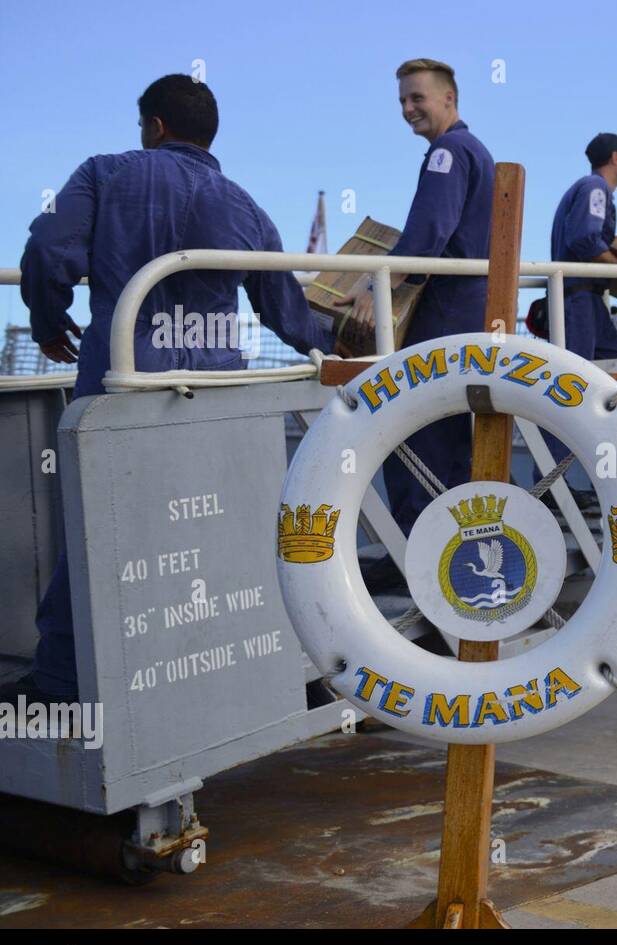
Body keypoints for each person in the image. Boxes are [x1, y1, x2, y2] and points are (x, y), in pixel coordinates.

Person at [13, 74, 332, 704]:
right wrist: (337, 351)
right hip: (221, 403)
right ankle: (261, 672)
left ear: (154, 126)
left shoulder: (105, 173)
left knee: (99, 537)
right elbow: (286, 311)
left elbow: (48, 251)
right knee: (230, 535)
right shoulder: (245, 205)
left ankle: (60, 686)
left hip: (122, 393)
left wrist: (49, 322)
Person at [335, 59, 495, 532]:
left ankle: (413, 547)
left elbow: (429, 233)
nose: (407, 109)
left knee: (414, 423)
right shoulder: (472, 150)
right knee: (446, 431)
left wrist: (376, 287)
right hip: (467, 309)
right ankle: (450, 544)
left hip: (445, 310)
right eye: (403, 100)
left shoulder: (448, 151)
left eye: (417, 98)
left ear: (449, 98)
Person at [546, 132, 617, 507]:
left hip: (588, 301)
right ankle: (550, 482)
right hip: (578, 301)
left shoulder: (592, 190)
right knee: (572, 389)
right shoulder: (595, 189)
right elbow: (586, 240)